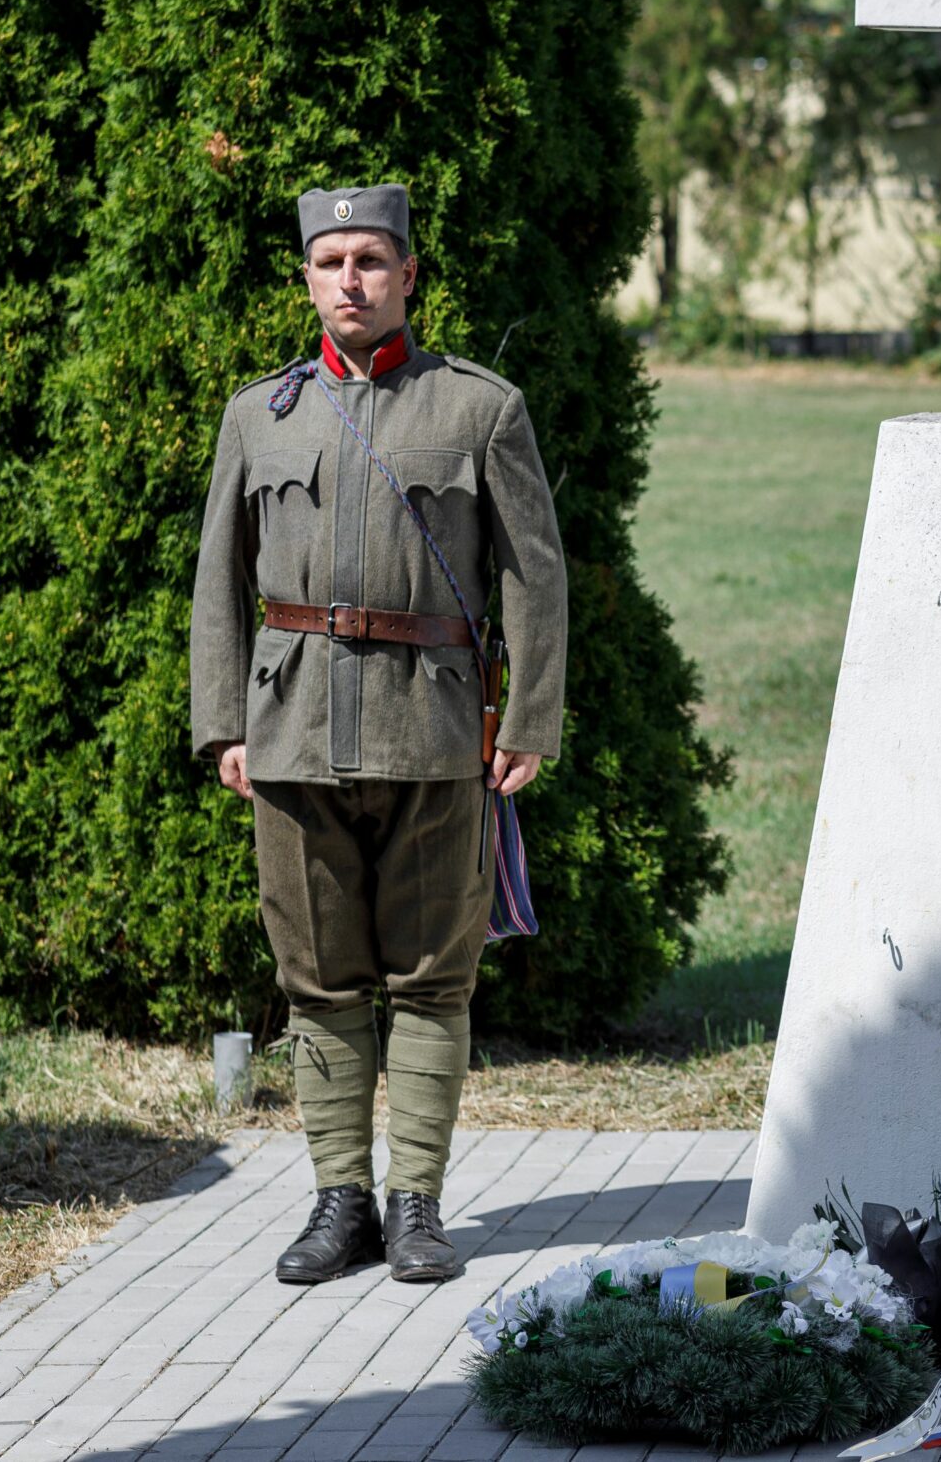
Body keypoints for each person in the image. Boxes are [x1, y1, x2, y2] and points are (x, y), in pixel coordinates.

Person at [190, 185, 566, 1283]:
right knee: (318, 979)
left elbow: (533, 575)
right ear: (308, 277)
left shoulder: (478, 408)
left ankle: (416, 1204)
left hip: (435, 728)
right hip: (294, 726)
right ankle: (337, 1198)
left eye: (369, 259)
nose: (348, 279)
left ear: (408, 274)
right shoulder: (260, 414)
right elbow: (218, 581)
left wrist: (528, 714)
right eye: (329, 261)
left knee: (434, 980)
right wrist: (225, 721)